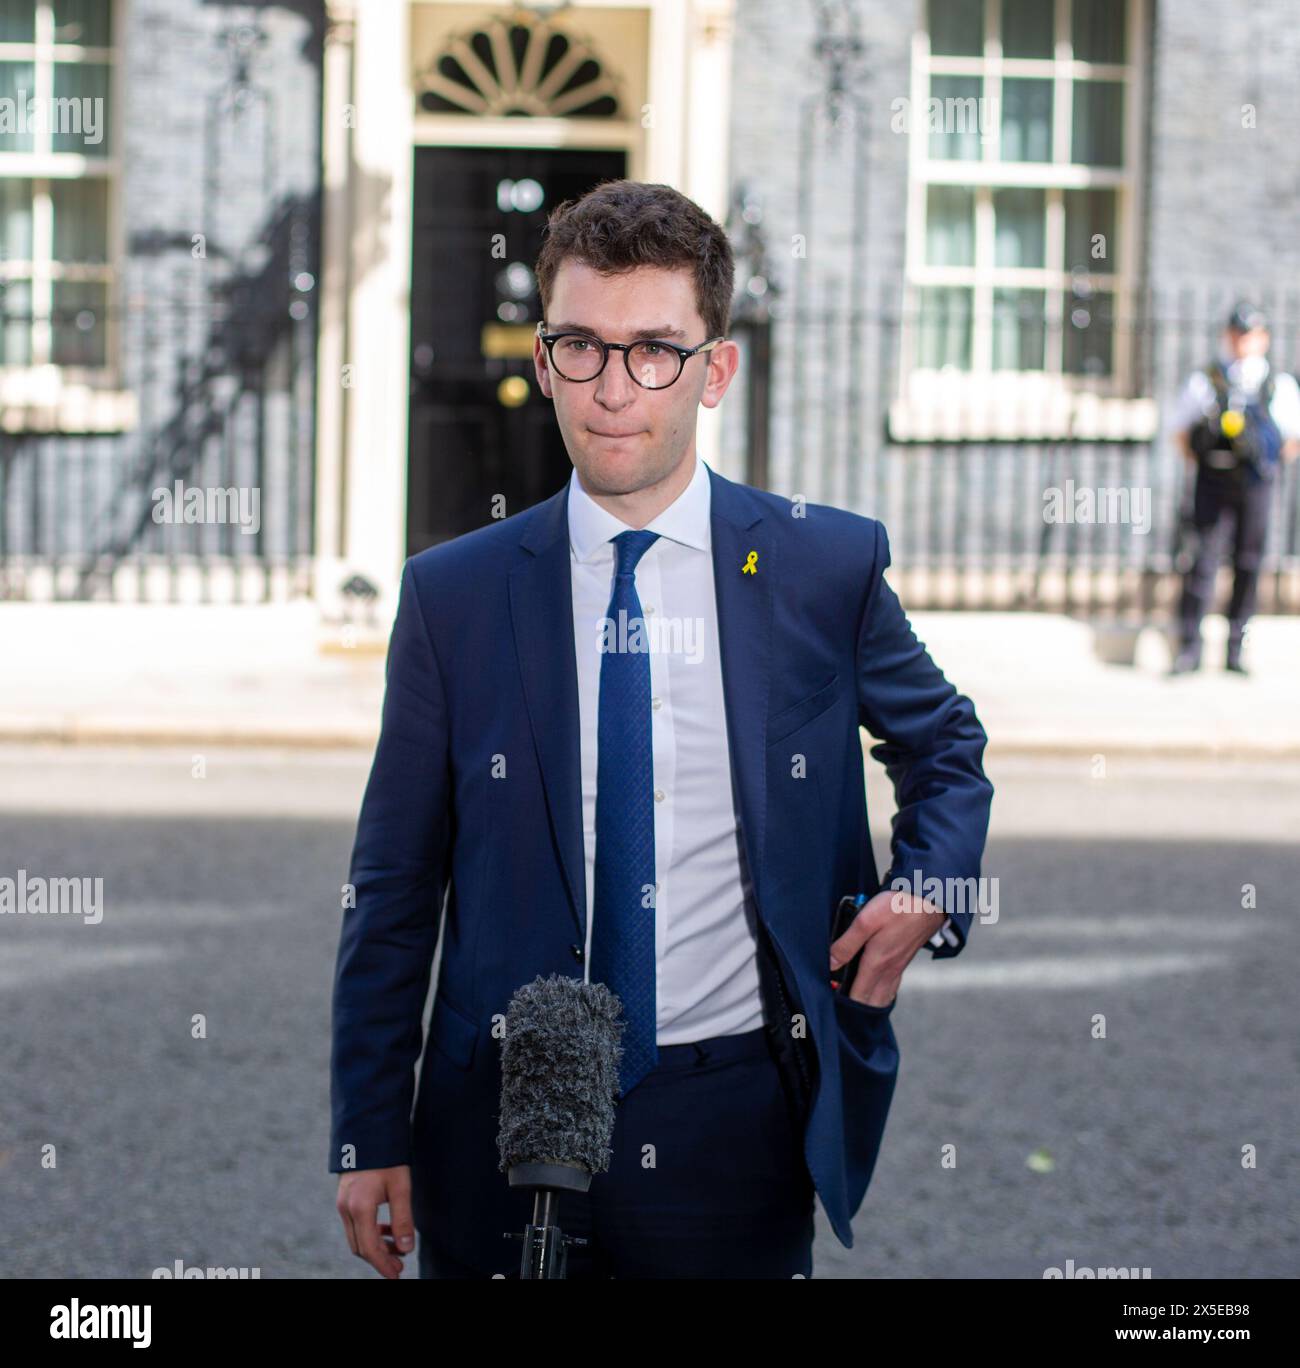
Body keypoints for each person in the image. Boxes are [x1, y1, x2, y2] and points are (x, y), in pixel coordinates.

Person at [329, 179, 994, 1279]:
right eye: (580, 347)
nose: (611, 389)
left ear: (713, 370)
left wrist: (927, 887)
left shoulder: (820, 566)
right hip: (501, 1119)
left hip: (736, 1118)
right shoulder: (453, 593)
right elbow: (393, 882)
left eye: (653, 351)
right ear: (542, 360)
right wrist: (368, 1128)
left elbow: (944, 749)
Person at [1169, 302, 1300, 674]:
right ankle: (1190, 648)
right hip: (1213, 484)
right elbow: (1181, 433)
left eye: (1251, 333)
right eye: (1238, 333)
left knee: (1248, 564)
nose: (1243, 341)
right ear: (1228, 336)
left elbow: (1292, 439)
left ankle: (1235, 650)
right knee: (1202, 563)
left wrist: (1263, 464)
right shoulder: (1206, 380)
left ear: (1263, 338)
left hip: (1256, 487)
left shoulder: (1278, 384)